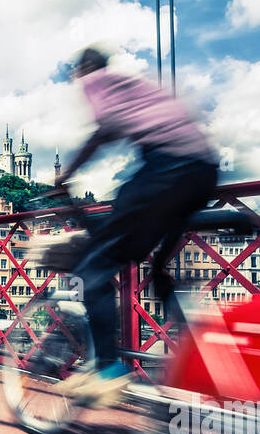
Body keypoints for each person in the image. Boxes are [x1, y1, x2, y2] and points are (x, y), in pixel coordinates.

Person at [51, 43, 218, 407]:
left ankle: (108, 369)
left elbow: (104, 130)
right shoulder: (137, 85)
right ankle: (205, 353)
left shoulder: (95, 80)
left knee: (92, 272)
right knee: (159, 269)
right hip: (204, 171)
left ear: (80, 72)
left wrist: (68, 174)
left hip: (166, 169)